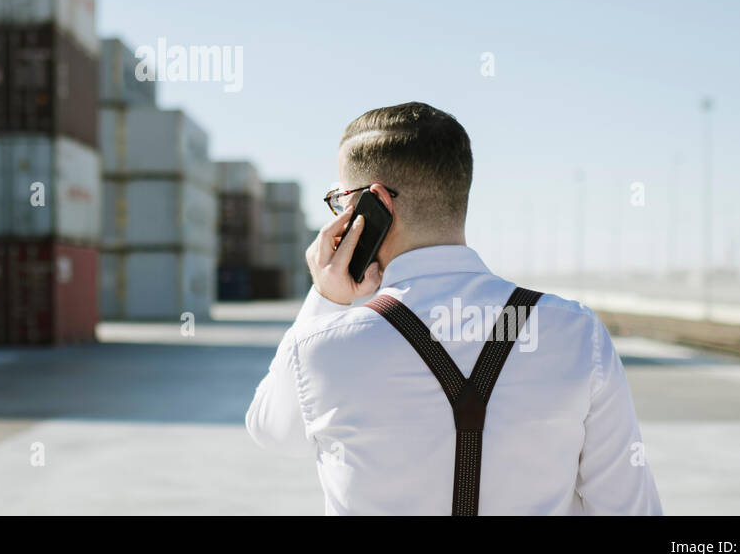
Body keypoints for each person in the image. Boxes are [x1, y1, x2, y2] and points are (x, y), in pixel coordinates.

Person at [245, 102, 662, 515]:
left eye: (342, 201)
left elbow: (271, 431)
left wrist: (325, 297)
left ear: (376, 206)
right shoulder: (575, 332)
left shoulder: (324, 345)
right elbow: (630, 508)